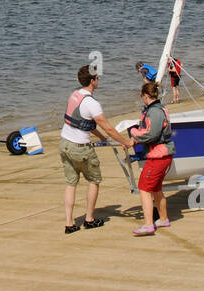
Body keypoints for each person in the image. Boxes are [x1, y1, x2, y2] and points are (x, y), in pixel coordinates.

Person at [60, 65, 133, 233]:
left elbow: (82, 121)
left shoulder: (74, 95)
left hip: (64, 144)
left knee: (71, 184)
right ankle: (89, 219)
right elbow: (108, 128)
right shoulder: (92, 104)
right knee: (94, 180)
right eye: (97, 78)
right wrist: (125, 142)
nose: (99, 80)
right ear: (92, 81)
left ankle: (69, 224)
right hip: (80, 148)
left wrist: (100, 137)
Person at [126, 81, 174, 235]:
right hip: (162, 154)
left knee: (144, 188)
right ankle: (163, 219)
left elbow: (152, 134)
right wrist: (137, 138)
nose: (142, 100)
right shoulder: (157, 109)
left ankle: (148, 224)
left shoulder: (155, 112)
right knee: (156, 188)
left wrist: (134, 134)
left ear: (146, 96)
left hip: (158, 156)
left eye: (142, 97)